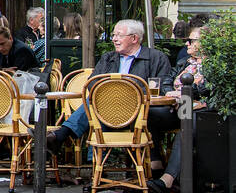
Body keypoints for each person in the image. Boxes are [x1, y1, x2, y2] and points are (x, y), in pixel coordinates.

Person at [45, 19, 177, 166]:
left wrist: (122, 94)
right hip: (107, 111)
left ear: (134, 38)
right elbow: (93, 83)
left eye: (119, 35)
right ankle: (95, 163)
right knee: (97, 102)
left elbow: (162, 85)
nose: (114, 39)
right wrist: (111, 95)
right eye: (114, 35)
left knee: (95, 103)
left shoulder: (156, 58)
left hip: (140, 111)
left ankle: (65, 139)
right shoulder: (108, 58)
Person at [149, 25, 209, 193]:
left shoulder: (212, 65)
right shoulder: (184, 62)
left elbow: (206, 89)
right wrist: (171, 93)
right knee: (148, 115)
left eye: (191, 41)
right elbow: (167, 80)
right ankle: (156, 163)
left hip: (199, 111)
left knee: (186, 123)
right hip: (175, 107)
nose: (187, 44)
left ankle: (167, 180)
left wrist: (185, 94)